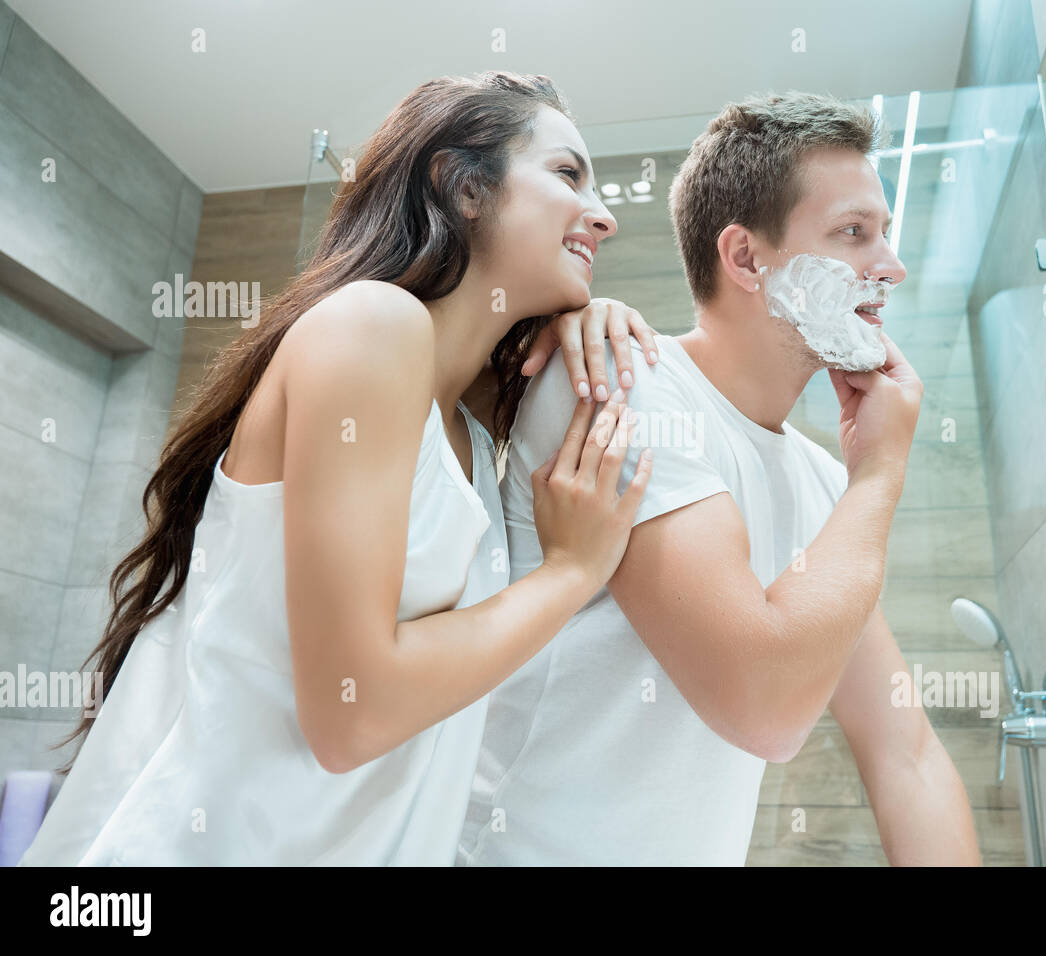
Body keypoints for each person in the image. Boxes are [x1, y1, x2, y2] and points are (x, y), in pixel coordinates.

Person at [19, 71, 653, 866]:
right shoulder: (371, 326)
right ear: (462, 187)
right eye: (567, 174)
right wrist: (569, 572)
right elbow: (351, 718)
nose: (605, 214)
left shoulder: (462, 419)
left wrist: (595, 314)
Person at [458, 91, 980, 866]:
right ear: (744, 258)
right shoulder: (622, 381)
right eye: (853, 234)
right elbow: (765, 706)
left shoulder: (815, 476)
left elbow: (904, 750)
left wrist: (862, 480)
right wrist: (879, 475)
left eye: (885, 234)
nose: (890, 267)